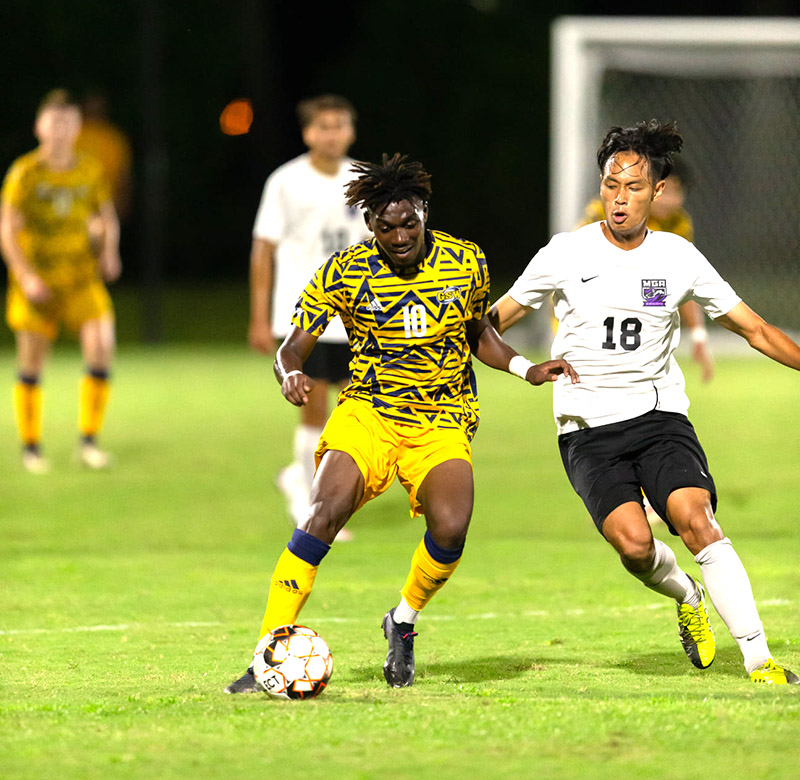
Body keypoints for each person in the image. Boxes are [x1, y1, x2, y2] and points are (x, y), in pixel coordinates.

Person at [225, 153, 578, 693]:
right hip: (369, 412)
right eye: (386, 227)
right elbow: (291, 348)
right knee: (321, 513)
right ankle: (265, 655)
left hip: (442, 417)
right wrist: (289, 373)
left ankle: (403, 619)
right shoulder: (344, 270)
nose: (399, 236)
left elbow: (479, 334)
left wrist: (525, 368)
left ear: (423, 213)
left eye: (408, 223)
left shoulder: (465, 262)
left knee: (451, 527)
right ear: (369, 224)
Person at [489, 120, 800, 685]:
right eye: (611, 185)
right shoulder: (565, 252)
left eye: (633, 187)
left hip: (659, 417)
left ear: (657, 191)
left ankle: (760, 660)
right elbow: (492, 323)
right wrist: (518, 365)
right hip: (586, 428)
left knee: (696, 519)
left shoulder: (679, 257)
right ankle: (687, 595)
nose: (619, 198)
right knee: (635, 546)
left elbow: (754, 328)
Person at [249, 94, 371, 537]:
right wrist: (259, 318)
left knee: (353, 412)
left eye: (339, 125)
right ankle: (313, 505)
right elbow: (263, 248)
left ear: (351, 131)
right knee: (314, 407)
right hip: (306, 314)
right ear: (307, 133)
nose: (332, 134)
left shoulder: (363, 179)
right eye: (323, 126)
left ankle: (300, 480)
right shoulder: (286, 182)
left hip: (356, 315)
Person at [0, 89, 121, 473]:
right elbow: (7, 229)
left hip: (80, 278)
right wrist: (25, 276)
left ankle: (89, 442)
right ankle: (31, 447)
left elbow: (106, 215)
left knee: (102, 345)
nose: (61, 130)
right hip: (38, 280)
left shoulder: (89, 170)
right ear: (40, 127)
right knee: (32, 362)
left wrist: (108, 251)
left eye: (68, 123)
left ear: (77, 127)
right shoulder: (25, 172)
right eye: (54, 123)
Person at [579, 158, 714, 382]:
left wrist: (698, 335)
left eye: (677, 192)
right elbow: (576, 269)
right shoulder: (609, 212)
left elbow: (683, 279)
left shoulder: (678, 224)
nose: (669, 200)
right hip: (587, 310)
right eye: (664, 191)